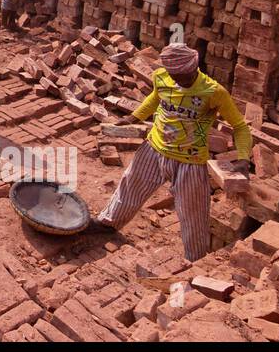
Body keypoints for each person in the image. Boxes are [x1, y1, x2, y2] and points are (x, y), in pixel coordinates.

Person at [84, 43, 252, 262]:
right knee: (130, 187)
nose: (178, 81)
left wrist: (243, 159)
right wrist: (133, 117)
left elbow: (240, 126)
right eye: (174, 76)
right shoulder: (162, 77)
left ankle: (196, 259)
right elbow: (155, 98)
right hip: (153, 149)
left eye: (182, 76)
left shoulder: (213, 92)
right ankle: (108, 224)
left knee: (193, 212)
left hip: (189, 161)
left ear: (194, 67)